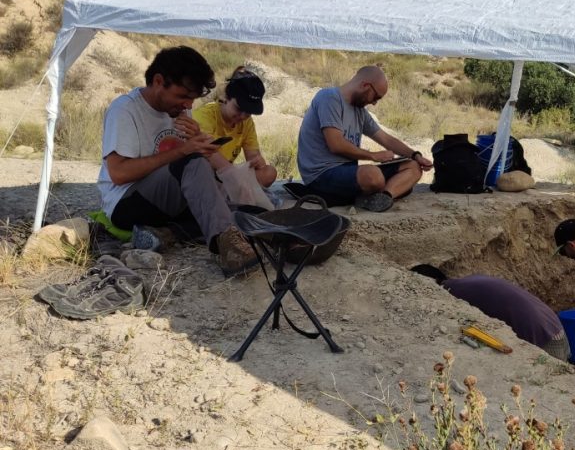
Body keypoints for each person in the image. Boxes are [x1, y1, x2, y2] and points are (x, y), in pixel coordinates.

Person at [97, 46, 257, 277]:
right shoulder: (125, 110)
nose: (188, 106)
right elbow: (118, 173)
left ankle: (167, 234)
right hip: (127, 201)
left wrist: (199, 140)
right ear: (158, 81)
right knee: (206, 190)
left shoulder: (178, 111)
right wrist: (184, 151)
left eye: (192, 99)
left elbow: (191, 170)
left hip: (166, 199)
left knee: (244, 210)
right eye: (183, 96)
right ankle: (229, 248)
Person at [296, 66, 432, 212]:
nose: (374, 103)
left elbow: (386, 139)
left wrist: (415, 155)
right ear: (365, 86)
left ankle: (383, 197)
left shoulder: (359, 111)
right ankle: (388, 189)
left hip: (349, 173)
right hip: (321, 174)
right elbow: (335, 144)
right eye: (376, 97)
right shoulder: (329, 98)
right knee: (373, 176)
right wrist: (373, 156)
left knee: (413, 167)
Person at [411, 265, 571, 362]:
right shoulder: (471, 283)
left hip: (546, 342)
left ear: (430, 285)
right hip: (559, 333)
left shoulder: (454, 296)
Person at [192, 66, 277, 187]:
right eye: (239, 109)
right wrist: (235, 176)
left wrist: (257, 162)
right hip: (205, 175)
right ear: (226, 98)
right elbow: (209, 154)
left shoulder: (246, 122)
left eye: (248, 112)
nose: (242, 116)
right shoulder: (205, 116)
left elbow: (253, 155)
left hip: (227, 175)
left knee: (269, 173)